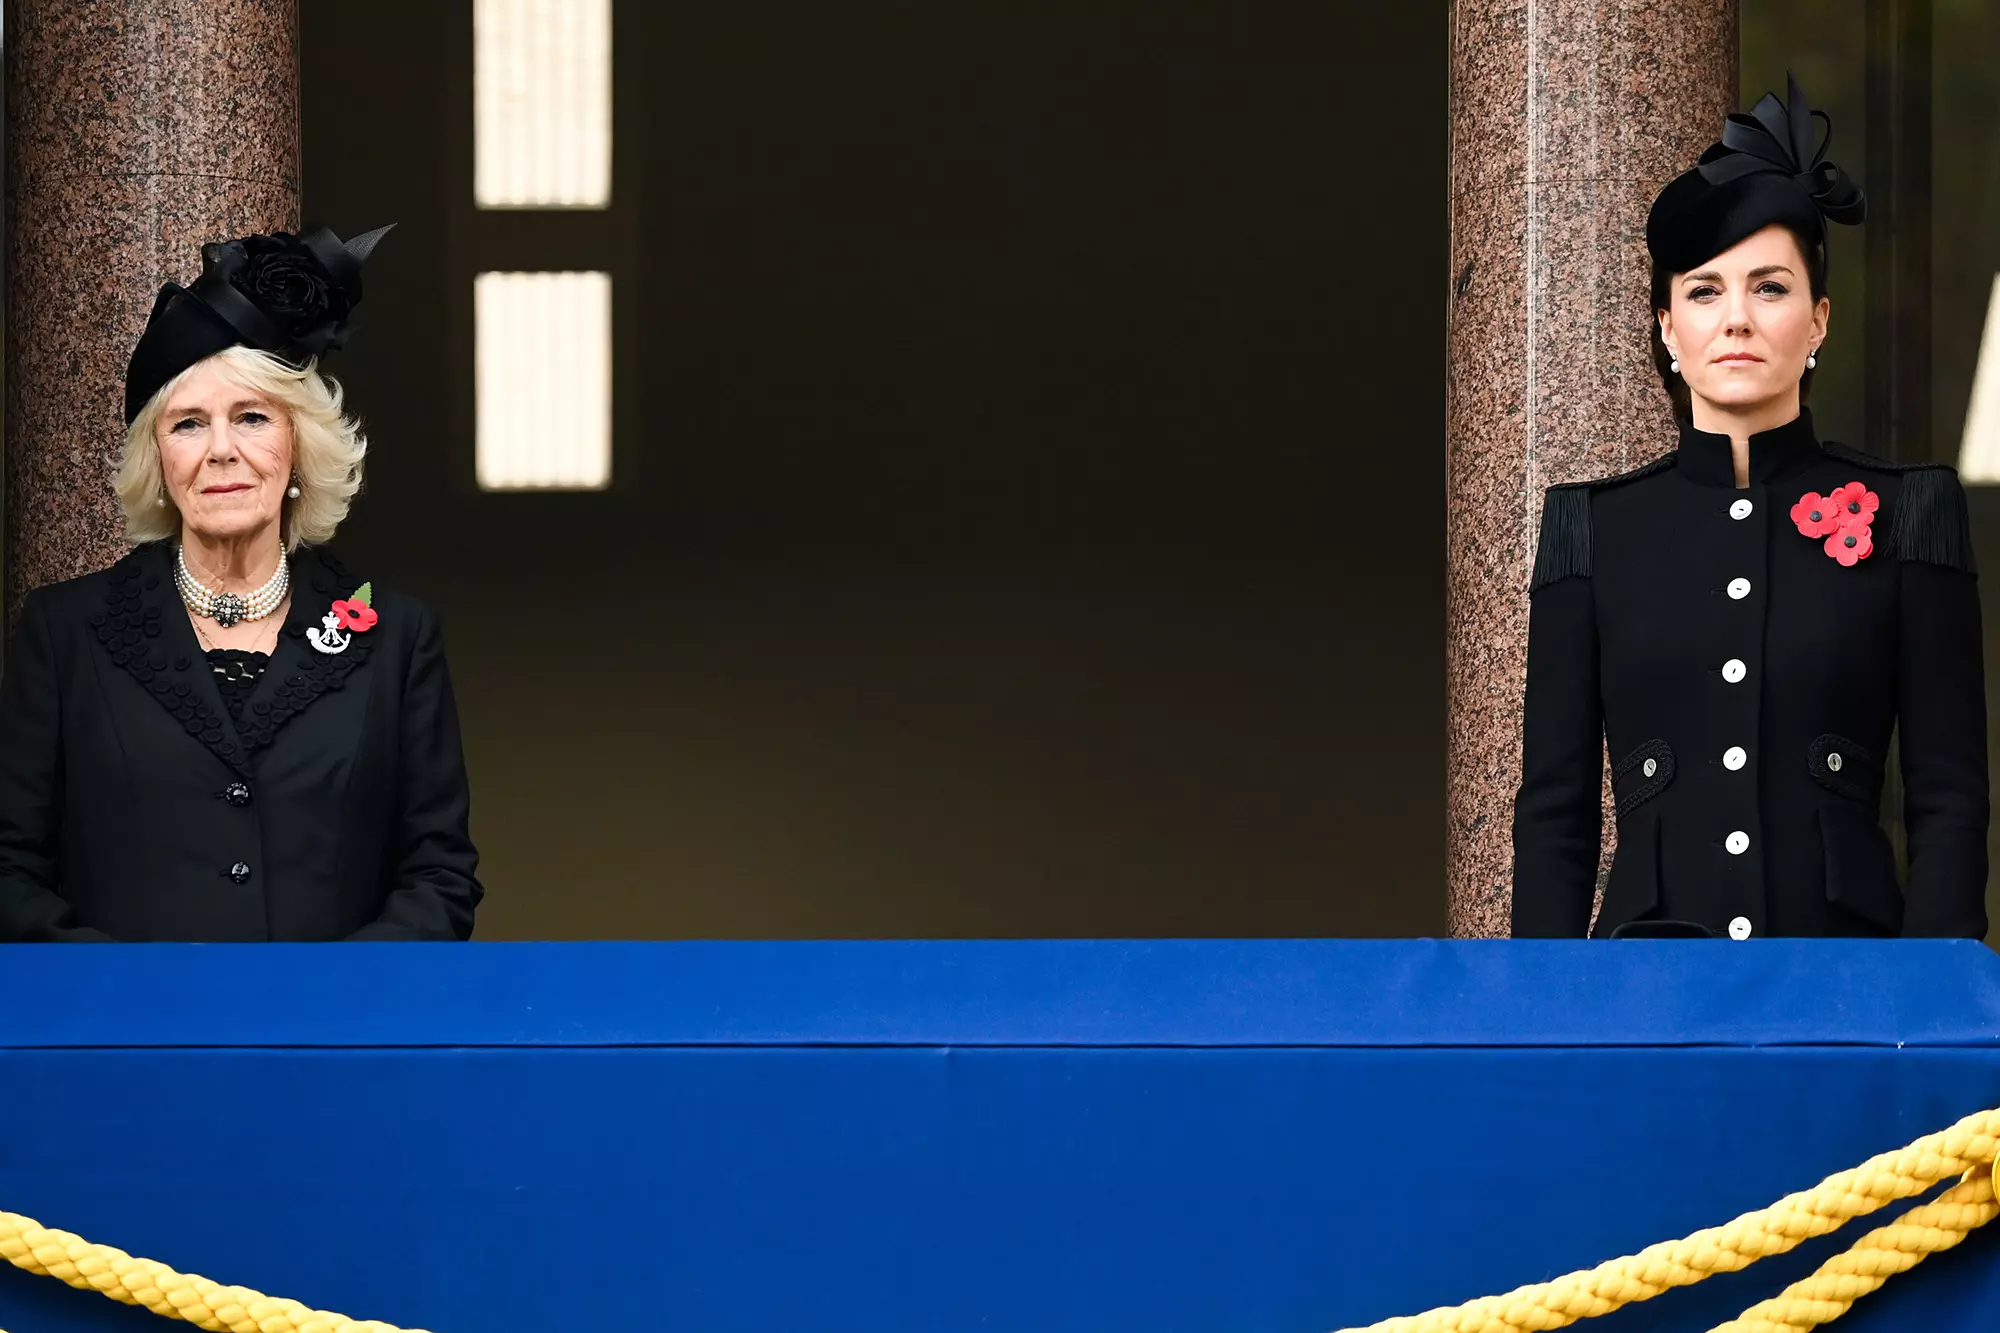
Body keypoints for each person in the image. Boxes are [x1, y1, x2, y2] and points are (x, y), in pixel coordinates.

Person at [1511, 77, 1987, 940]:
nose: (1736, 319)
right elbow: (1556, 817)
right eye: (1703, 291)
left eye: (1770, 288)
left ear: (1819, 322)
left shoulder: (1911, 512)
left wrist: (1924, 1014)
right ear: (1665, 328)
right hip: (1647, 993)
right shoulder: (1593, 528)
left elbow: (1949, 802)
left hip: (1849, 983)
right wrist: (1547, 1028)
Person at [0, 224, 484, 941]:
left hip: (328, 1041)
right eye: (189, 424)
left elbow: (440, 876)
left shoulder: (397, 639)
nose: (221, 450)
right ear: (159, 459)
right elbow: (10, 870)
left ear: (297, 448)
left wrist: (324, 1002)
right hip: (128, 1042)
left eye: (252, 418)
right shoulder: (64, 633)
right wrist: (128, 995)